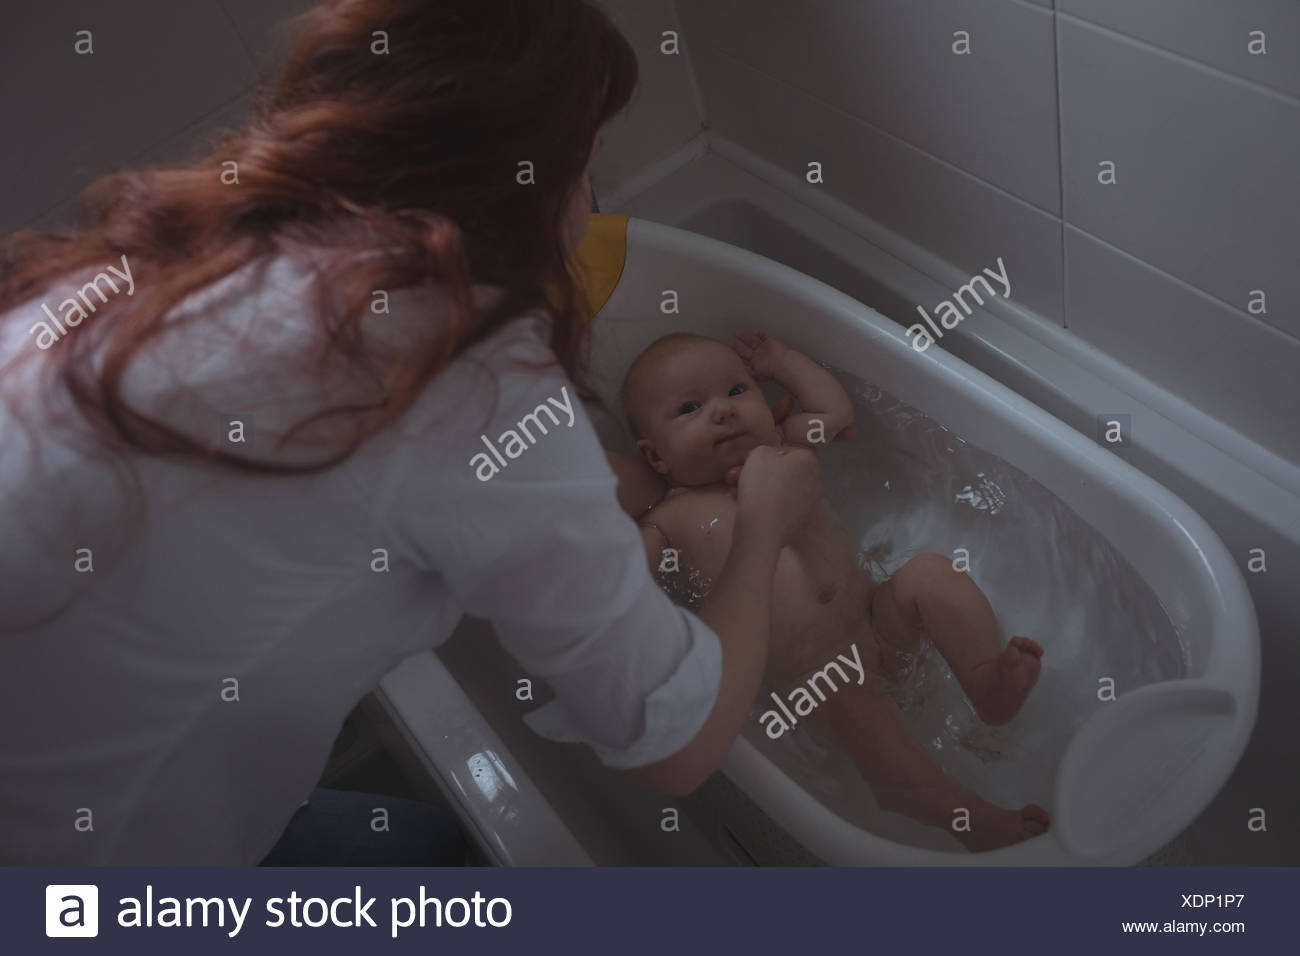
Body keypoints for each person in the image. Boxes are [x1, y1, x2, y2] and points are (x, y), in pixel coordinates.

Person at [0, 0, 817, 865]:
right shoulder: (457, 369)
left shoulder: (176, 251)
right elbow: (675, 743)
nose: (591, 191)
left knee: (423, 845)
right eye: (587, 163)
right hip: (82, 867)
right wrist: (761, 528)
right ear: (535, 181)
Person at [621, 329, 1052, 851]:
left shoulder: (784, 449)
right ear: (657, 456)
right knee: (855, 706)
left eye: (737, 391)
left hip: (877, 618)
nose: (723, 412)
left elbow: (836, 411)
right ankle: (961, 812)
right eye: (690, 407)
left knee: (929, 572)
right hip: (816, 683)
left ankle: (987, 684)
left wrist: (784, 358)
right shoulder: (670, 520)